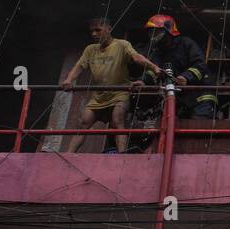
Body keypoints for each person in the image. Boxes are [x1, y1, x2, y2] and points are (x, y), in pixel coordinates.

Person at [60, 18, 161, 153]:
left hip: (119, 92)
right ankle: (68, 154)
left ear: (109, 29)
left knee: (117, 119)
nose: (94, 34)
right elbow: (79, 66)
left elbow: (137, 57)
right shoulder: (90, 49)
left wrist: (154, 67)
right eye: (92, 31)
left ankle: (121, 155)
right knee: (83, 122)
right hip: (99, 96)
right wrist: (69, 80)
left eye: (98, 30)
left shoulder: (122, 44)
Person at [135, 14, 217, 119]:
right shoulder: (158, 51)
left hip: (200, 96)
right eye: (151, 33)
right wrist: (143, 81)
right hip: (180, 97)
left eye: (157, 32)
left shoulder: (186, 43)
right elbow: (153, 70)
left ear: (168, 31)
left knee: (198, 127)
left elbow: (200, 64)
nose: (153, 36)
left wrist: (185, 77)